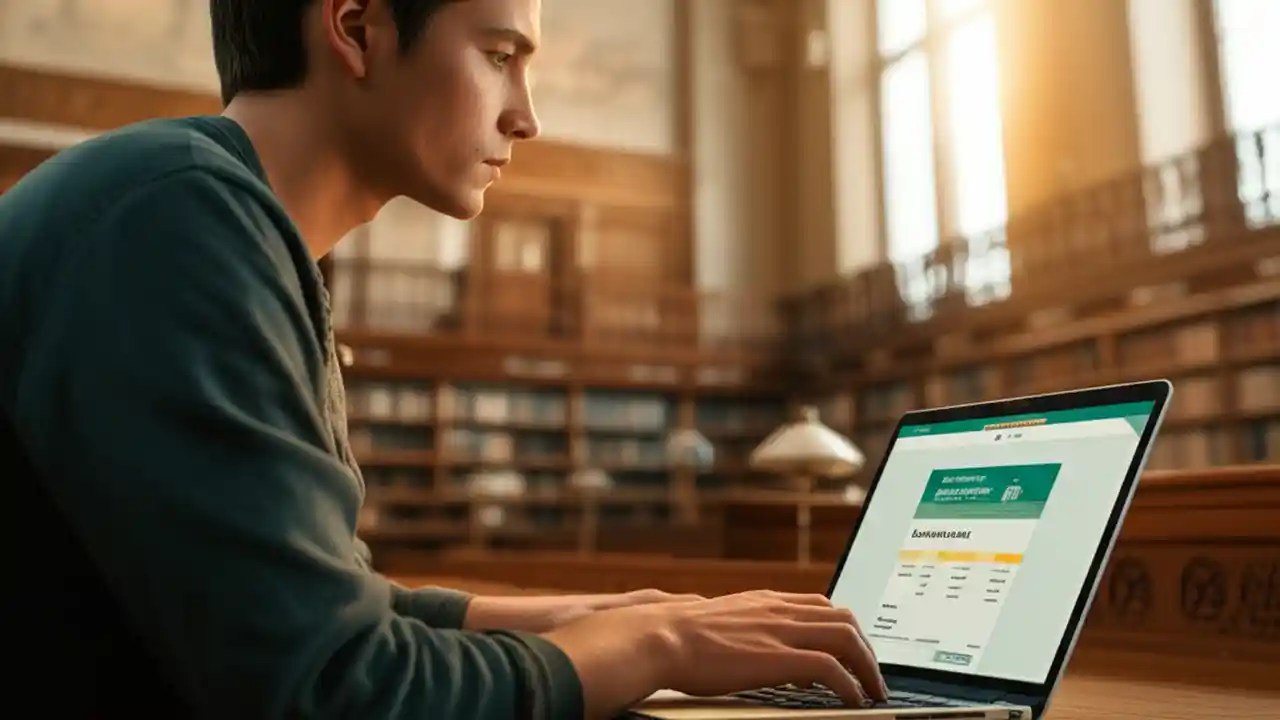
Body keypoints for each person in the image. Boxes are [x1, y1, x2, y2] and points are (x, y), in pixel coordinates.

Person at [0, 0, 887, 717]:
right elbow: (334, 688)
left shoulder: (203, 212)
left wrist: (591, 615)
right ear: (355, 30)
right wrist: (657, 648)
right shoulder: (182, 221)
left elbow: (323, 603)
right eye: (502, 52)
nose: (527, 115)